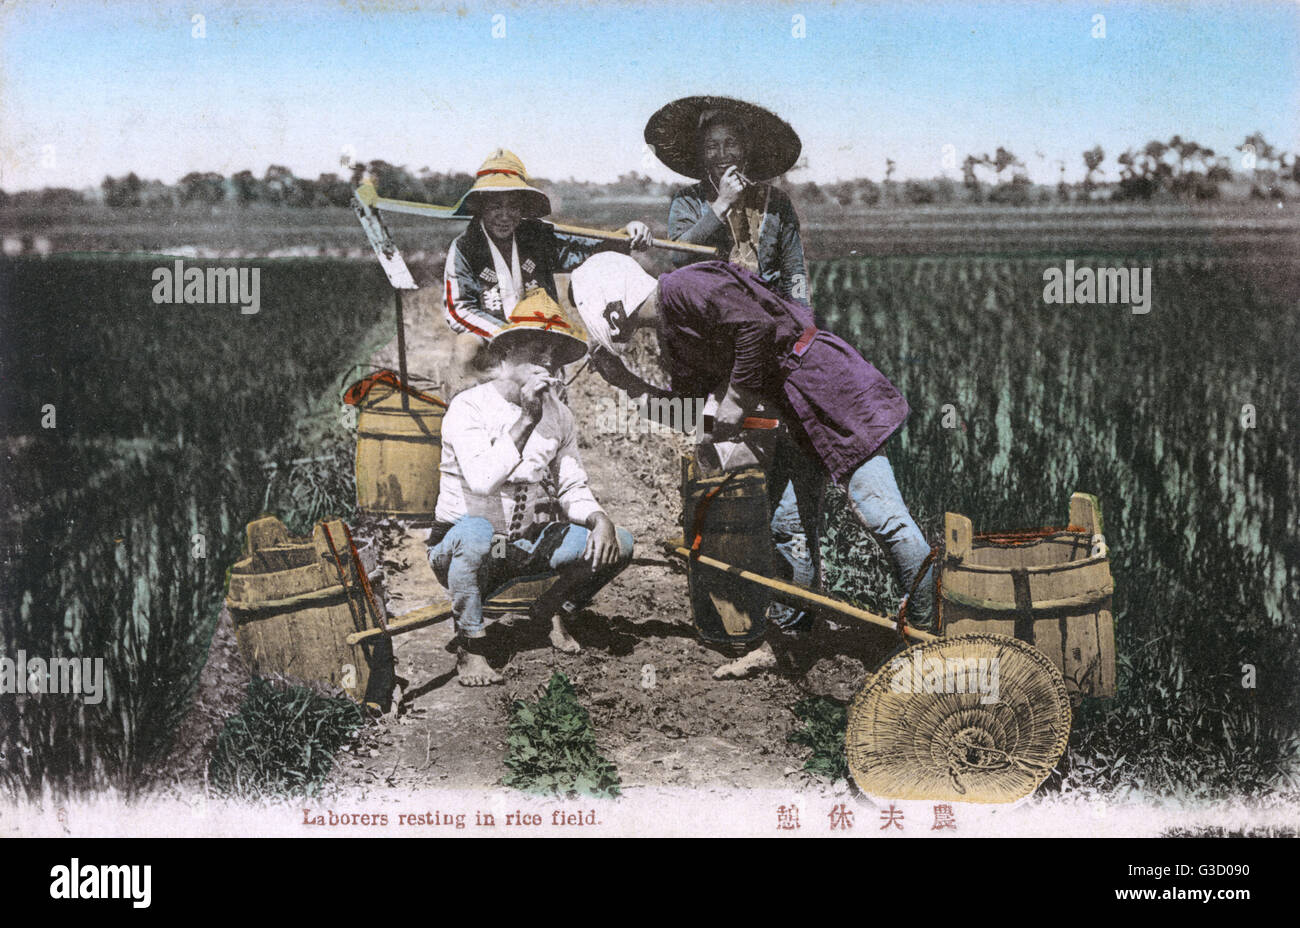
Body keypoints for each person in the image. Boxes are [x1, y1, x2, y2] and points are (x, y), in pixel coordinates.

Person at [570, 253, 937, 674]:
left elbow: (756, 327)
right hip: (791, 413)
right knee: (788, 526)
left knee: (881, 515)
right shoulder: (673, 337)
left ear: (612, 302)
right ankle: (789, 640)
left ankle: (928, 637)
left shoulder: (684, 286)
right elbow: (691, 411)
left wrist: (738, 399)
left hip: (828, 391)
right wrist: (626, 383)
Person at [643, 96, 814, 676]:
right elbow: (674, 268)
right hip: (713, 363)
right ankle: (725, 612)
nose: (722, 155)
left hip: (774, 357)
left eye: (731, 145)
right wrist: (720, 205)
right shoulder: (688, 203)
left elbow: (796, 284)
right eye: (711, 147)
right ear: (700, 157)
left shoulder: (779, 208)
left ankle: (792, 623)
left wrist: (801, 345)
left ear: (748, 151)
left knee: (784, 493)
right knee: (721, 481)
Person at [427, 289, 635, 686]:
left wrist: (600, 519)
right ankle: (471, 648)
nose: (547, 360)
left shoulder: (559, 415)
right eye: (536, 348)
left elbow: (573, 484)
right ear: (506, 353)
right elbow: (483, 481)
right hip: (463, 551)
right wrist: (526, 419)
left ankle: (550, 610)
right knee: (476, 532)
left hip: (524, 547)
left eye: (554, 352)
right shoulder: (469, 407)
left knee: (620, 543)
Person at [442, 149, 652, 346]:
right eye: (496, 206)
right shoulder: (465, 248)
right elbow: (460, 309)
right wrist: (504, 336)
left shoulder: (537, 236)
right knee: (467, 346)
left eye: (513, 206)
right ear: (481, 208)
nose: (505, 215)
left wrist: (626, 234)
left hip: (540, 335)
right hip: (493, 337)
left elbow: (585, 250)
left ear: (522, 208)